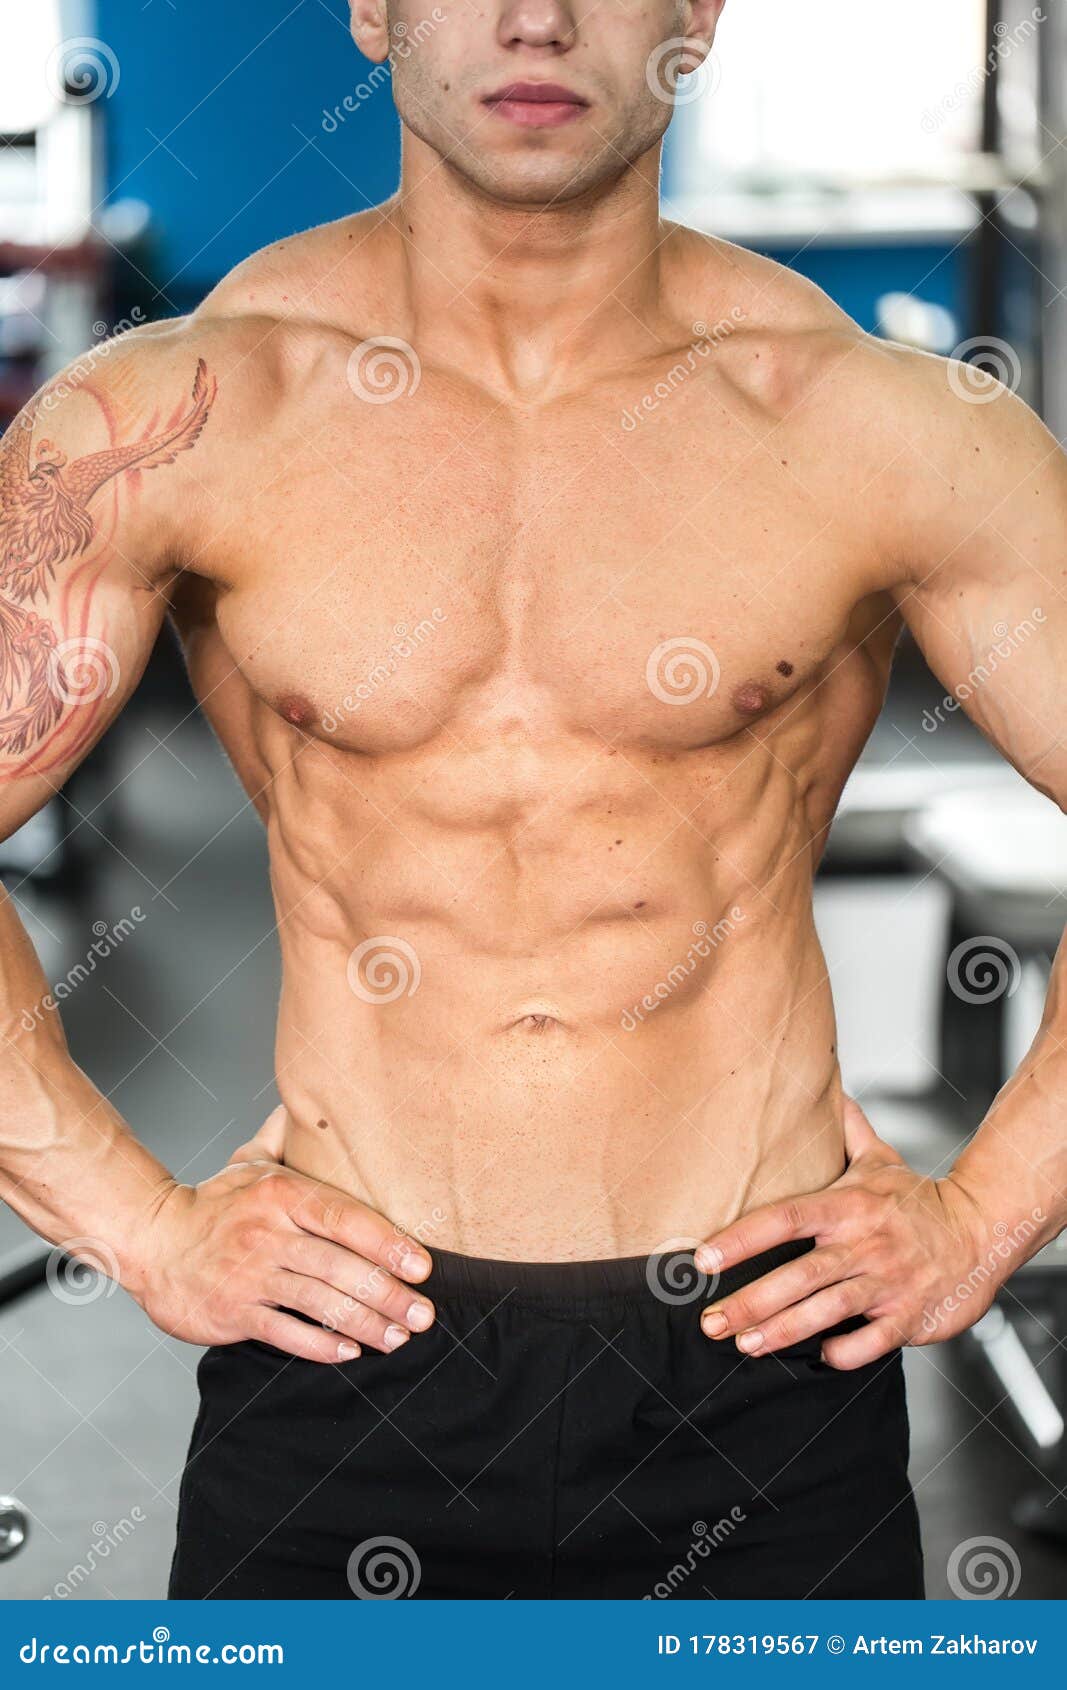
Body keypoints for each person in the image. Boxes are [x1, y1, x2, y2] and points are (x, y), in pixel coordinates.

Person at [0, 1, 1064, 1599]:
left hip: (763, 1361)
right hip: (344, 1354)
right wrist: (143, 1226)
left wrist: (986, 1216)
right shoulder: (173, 426)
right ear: (374, 10)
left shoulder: (881, 426)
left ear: (699, 15)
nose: (536, 16)